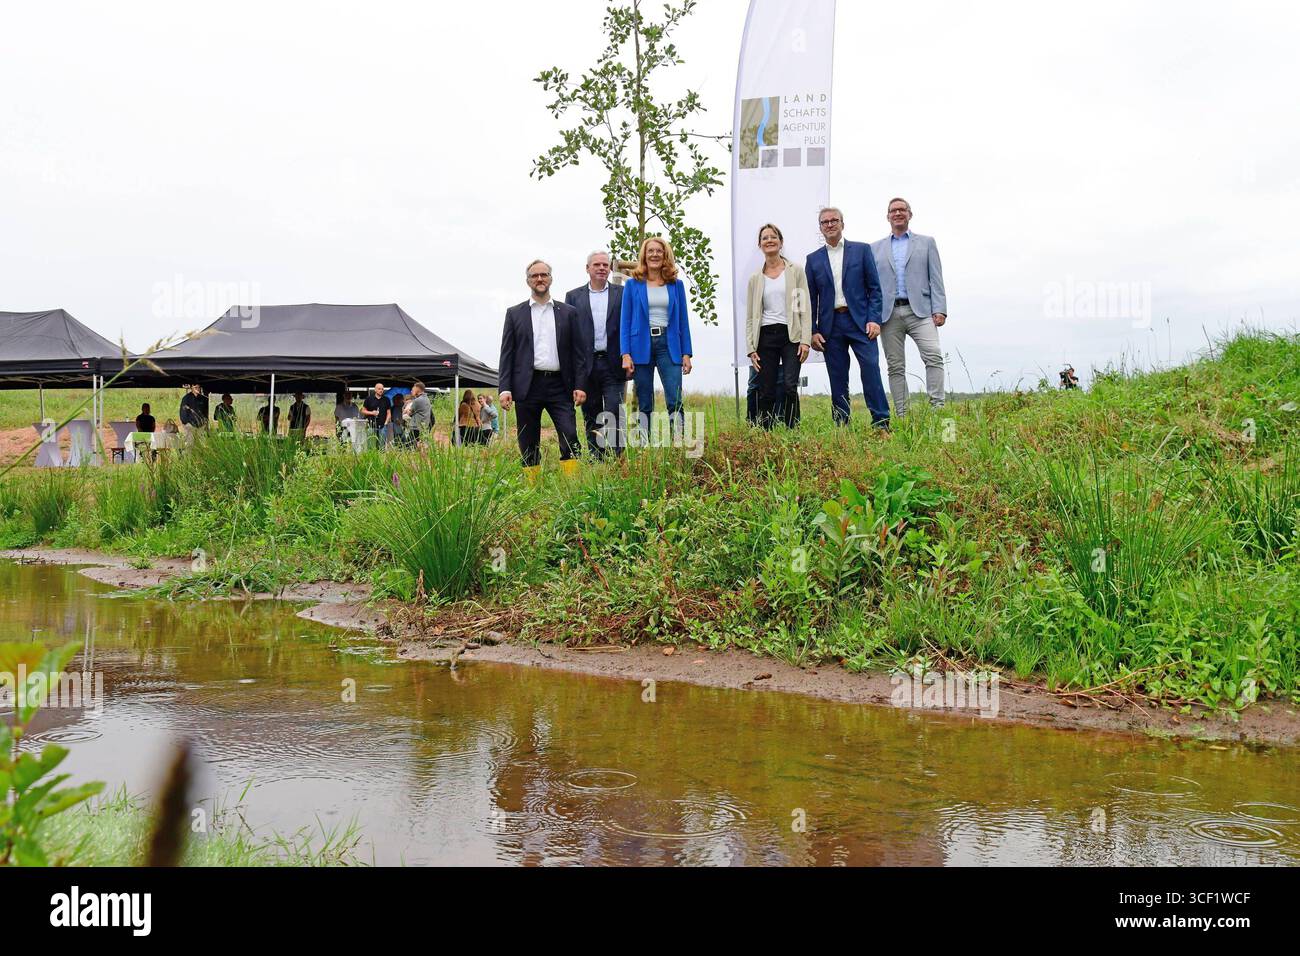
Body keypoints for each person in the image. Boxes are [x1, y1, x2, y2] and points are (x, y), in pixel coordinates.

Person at [498, 259, 588, 478]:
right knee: (528, 441)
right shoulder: (514, 313)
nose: (540, 279)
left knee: (569, 435)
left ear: (551, 278)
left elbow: (579, 353)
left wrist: (580, 385)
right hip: (527, 386)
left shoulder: (568, 312)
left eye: (544, 275)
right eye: (535, 276)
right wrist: (504, 388)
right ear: (528, 280)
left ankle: (571, 486)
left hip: (560, 385)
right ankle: (532, 490)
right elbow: (507, 354)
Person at [805, 207, 890, 428]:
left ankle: (881, 422)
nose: (830, 225)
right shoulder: (813, 260)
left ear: (843, 224)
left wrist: (874, 319)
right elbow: (810, 299)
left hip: (861, 322)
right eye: (825, 222)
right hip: (830, 327)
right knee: (837, 377)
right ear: (820, 228)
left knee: (871, 369)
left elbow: (875, 289)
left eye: (834, 220)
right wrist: (813, 331)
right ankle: (841, 425)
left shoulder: (861, 250)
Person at [872, 198, 948, 415]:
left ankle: (937, 409)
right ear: (887, 216)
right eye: (893, 210)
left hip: (921, 311)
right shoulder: (874, 249)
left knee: (933, 356)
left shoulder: (926, 243)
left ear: (909, 214)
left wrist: (939, 309)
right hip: (888, 314)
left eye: (902, 210)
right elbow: (871, 286)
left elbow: (936, 277)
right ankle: (903, 414)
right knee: (895, 366)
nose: (897, 213)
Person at [620, 237, 693, 440]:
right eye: (650, 251)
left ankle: (679, 443)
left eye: (658, 251)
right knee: (644, 401)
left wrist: (687, 353)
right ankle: (643, 447)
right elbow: (625, 322)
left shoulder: (676, 285)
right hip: (640, 347)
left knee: (675, 399)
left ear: (665, 255)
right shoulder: (633, 285)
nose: (654, 254)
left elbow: (683, 321)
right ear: (644, 255)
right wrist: (625, 354)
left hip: (668, 346)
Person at [746, 224, 811, 429]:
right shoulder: (755, 278)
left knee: (790, 386)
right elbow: (751, 316)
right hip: (765, 336)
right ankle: (767, 432)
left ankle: (793, 430)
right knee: (766, 389)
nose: (769, 240)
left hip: (791, 336)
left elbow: (804, 309)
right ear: (760, 245)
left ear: (781, 242)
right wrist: (751, 348)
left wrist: (806, 341)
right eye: (765, 238)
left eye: (773, 237)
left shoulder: (794, 272)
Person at [565, 250, 625, 458]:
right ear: (587, 269)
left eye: (605, 265)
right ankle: (596, 457)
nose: (601, 268)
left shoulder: (622, 293)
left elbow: (628, 326)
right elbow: (569, 333)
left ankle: (617, 457)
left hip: (613, 363)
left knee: (614, 410)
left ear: (609, 269)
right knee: (591, 413)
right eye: (597, 265)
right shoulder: (573, 296)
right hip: (585, 366)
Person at [361, 382, 391, 449]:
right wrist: (372, 413)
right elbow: (363, 411)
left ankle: (381, 459)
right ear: (375, 390)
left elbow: (389, 413)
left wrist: (386, 423)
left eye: (382, 389)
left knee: (381, 446)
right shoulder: (369, 399)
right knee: (371, 446)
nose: (381, 390)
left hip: (382, 426)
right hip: (371, 426)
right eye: (379, 389)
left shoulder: (386, 399)